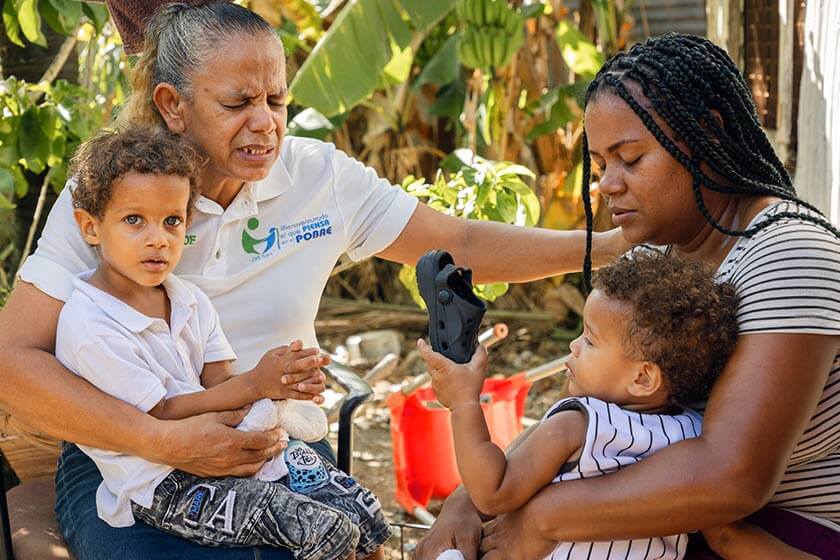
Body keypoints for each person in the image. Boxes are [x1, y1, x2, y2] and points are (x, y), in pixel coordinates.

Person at [0, 3, 628, 559]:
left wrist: (612, 245)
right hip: (126, 464)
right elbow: (12, 359)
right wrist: (164, 440)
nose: (266, 123)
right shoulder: (117, 201)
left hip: (275, 445)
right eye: (237, 103)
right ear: (173, 106)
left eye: (275, 100)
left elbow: (459, 243)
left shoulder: (316, 177)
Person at [415, 33, 840, 560]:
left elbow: (734, 476)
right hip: (673, 527)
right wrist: (466, 505)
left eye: (631, 159)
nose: (607, 185)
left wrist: (545, 519)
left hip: (776, 535)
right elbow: (582, 412)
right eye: (600, 166)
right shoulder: (652, 257)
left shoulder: (791, 253)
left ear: (706, 135)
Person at [57, 124, 389, 559]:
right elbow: (163, 413)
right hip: (160, 480)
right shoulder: (90, 324)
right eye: (134, 220)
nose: (158, 238)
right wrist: (256, 385)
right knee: (314, 529)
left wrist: (282, 383)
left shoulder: (187, 300)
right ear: (91, 227)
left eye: (171, 221)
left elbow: (219, 384)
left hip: (219, 450)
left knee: (360, 512)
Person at [420, 251, 817, 560]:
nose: (574, 346)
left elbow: (494, 492)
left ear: (643, 378)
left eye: (590, 340)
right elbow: (726, 536)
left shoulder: (578, 425)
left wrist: (464, 403)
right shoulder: (694, 436)